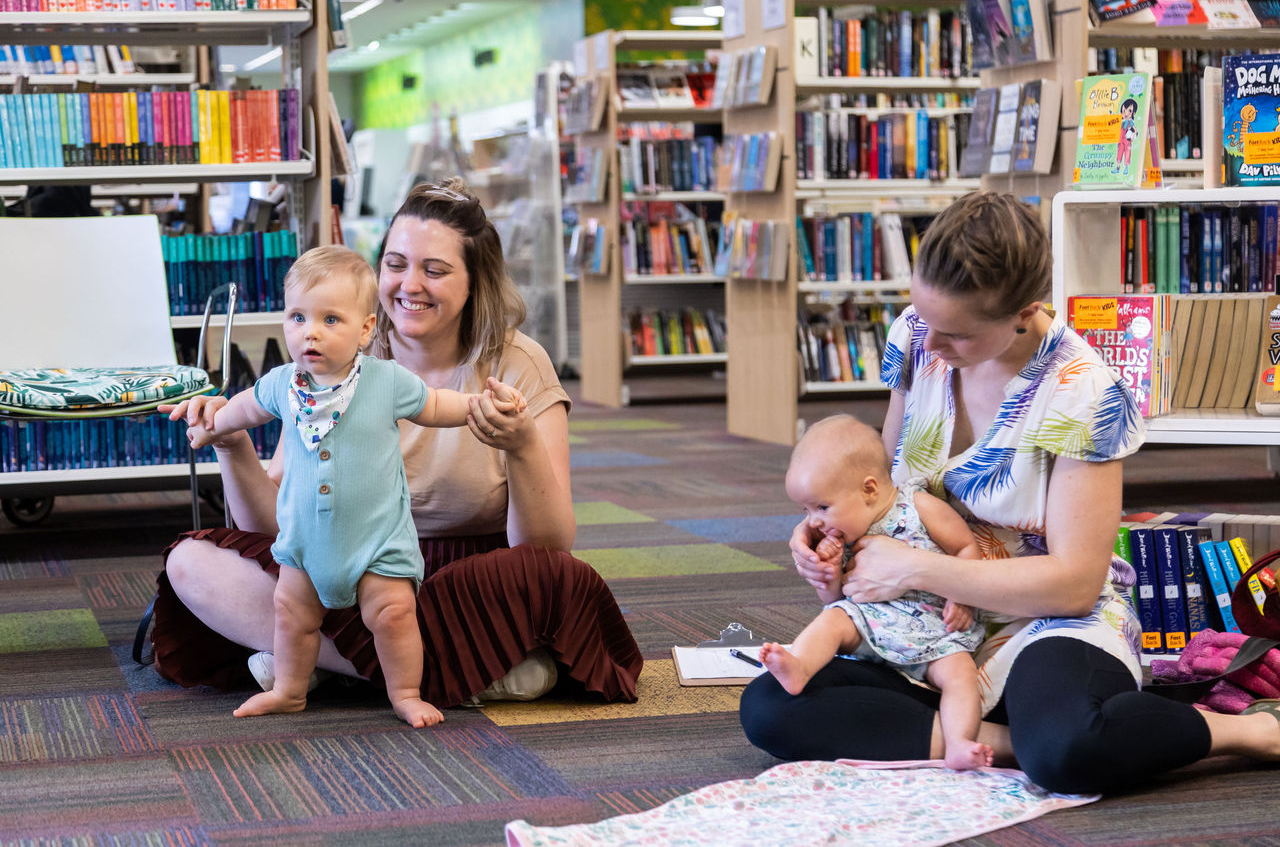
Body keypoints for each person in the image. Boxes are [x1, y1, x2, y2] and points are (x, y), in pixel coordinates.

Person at [739, 191, 1280, 793]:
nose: (931, 345)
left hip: (1042, 621)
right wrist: (827, 530)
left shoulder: (1081, 390)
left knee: (1069, 750)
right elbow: (883, 491)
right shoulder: (915, 336)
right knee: (768, 707)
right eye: (924, 318)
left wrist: (917, 568)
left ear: (1024, 312)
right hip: (925, 623)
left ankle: (1240, 731)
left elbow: (1074, 585)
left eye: (957, 334)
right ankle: (1001, 740)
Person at [148, 179, 643, 712]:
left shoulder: (519, 364)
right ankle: (439, 672)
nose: (410, 285)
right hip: (340, 566)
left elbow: (547, 546)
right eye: (396, 264)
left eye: (435, 270)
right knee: (191, 563)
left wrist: (522, 447)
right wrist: (231, 444)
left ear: (475, 282)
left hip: (470, 581)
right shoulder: (329, 359)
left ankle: (322, 663)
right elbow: (272, 528)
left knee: (552, 577)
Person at [162, 245, 523, 727]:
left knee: (393, 615)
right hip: (305, 543)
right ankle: (289, 690)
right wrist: (208, 423)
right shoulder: (282, 384)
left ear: (366, 329)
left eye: (330, 319)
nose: (310, 332)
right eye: (297, 317)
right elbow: (242, 409)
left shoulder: (385, 380)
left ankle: (406, 694)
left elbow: (437, 405)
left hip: (378, 543)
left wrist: (482, 405)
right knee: (291, 614)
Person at [760, 414, 991, 770]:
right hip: (871, 623)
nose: (813, 522)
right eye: (805, 509)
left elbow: (965, 547)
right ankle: (799, 666)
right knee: (834, 620)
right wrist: (829, 577)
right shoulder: (843, 533)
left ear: (869, 490)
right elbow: (836, 602)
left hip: (935, 628)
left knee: (961, 675)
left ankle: (960, 741)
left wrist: (962, 597)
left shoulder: (918, 507)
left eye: (822, 507)